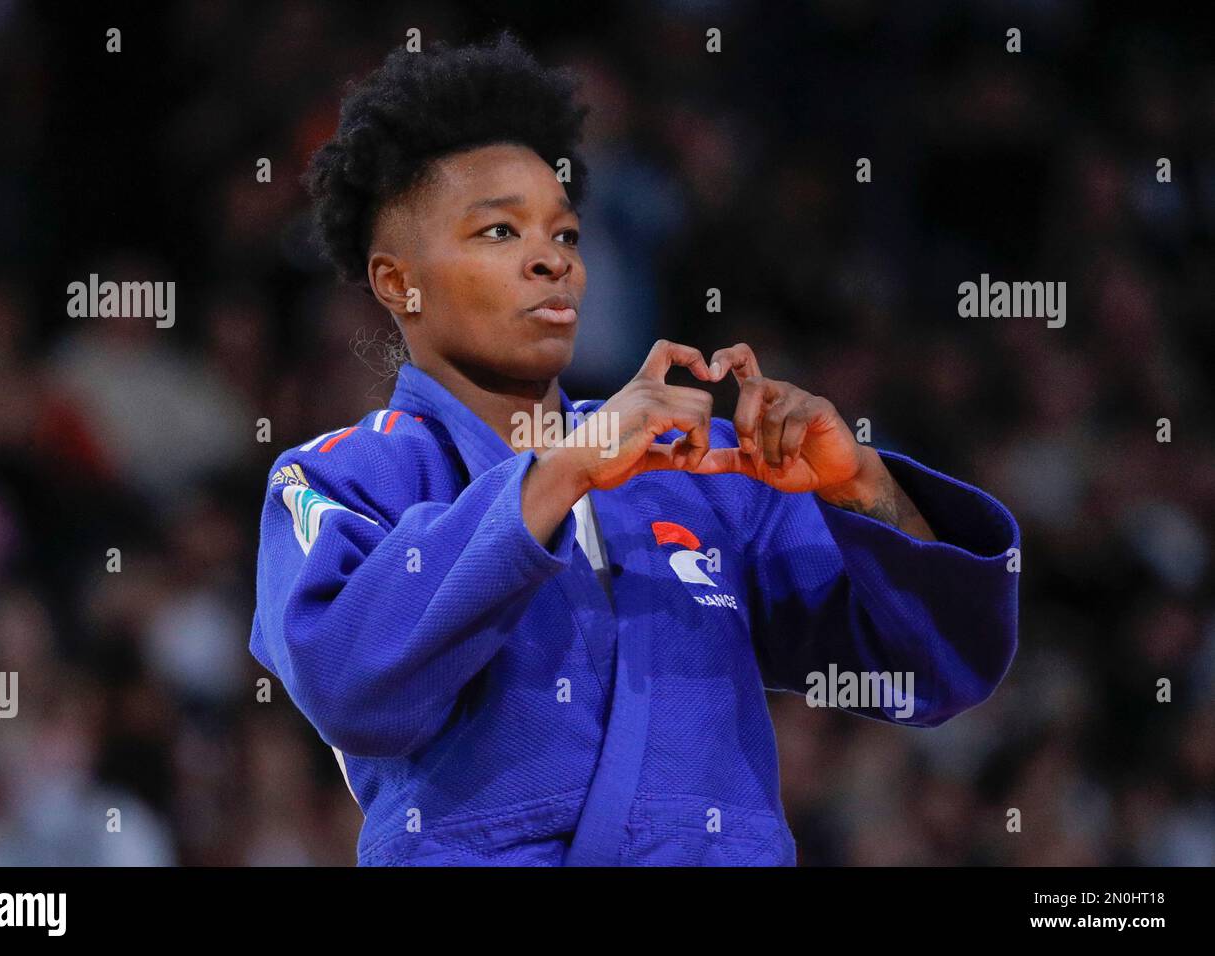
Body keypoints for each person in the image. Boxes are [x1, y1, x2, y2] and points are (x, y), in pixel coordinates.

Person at [249, 32, 1020, 865]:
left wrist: (862, 490)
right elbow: (353, 686)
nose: (552, 260)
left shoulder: (706, 475)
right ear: (399, 281)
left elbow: (935, 674)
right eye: (499, 233)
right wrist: (566, 469)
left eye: (567, 235)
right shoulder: (341, 475)